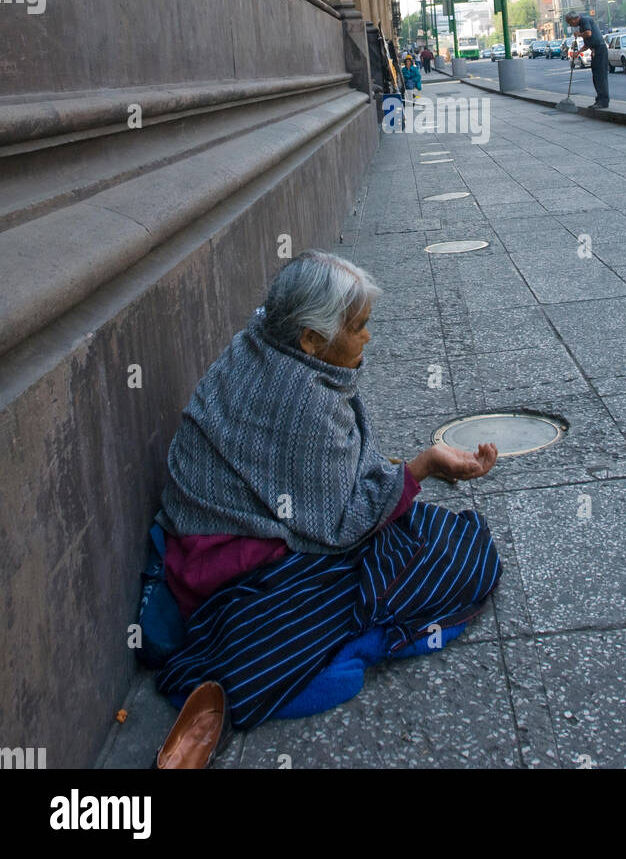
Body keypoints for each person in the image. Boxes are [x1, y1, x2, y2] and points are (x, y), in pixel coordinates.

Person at [152, 251, 500, 731]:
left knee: (437, 537)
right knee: (454, 558)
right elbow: (341, 527)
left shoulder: (261, 337)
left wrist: (397, 477)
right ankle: (338, 645)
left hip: (200, 537)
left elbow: (319, 480)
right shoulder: (305, 404)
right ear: (312, 339)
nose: (367, 336)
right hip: (229, 567)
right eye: (357, 327)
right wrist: (421, 468)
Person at [565, 10, 609, 108]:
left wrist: (579, 34)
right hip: (595, 50)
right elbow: (587, 43)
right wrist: (578, 52)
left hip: (600, 49)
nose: (570, 25)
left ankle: (603, 101)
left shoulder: (585, 20)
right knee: (596, 76)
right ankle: (600, 99)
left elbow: (588, 34)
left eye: (570, 22)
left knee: (600, 76)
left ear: (574, 19)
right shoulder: (582, 25)